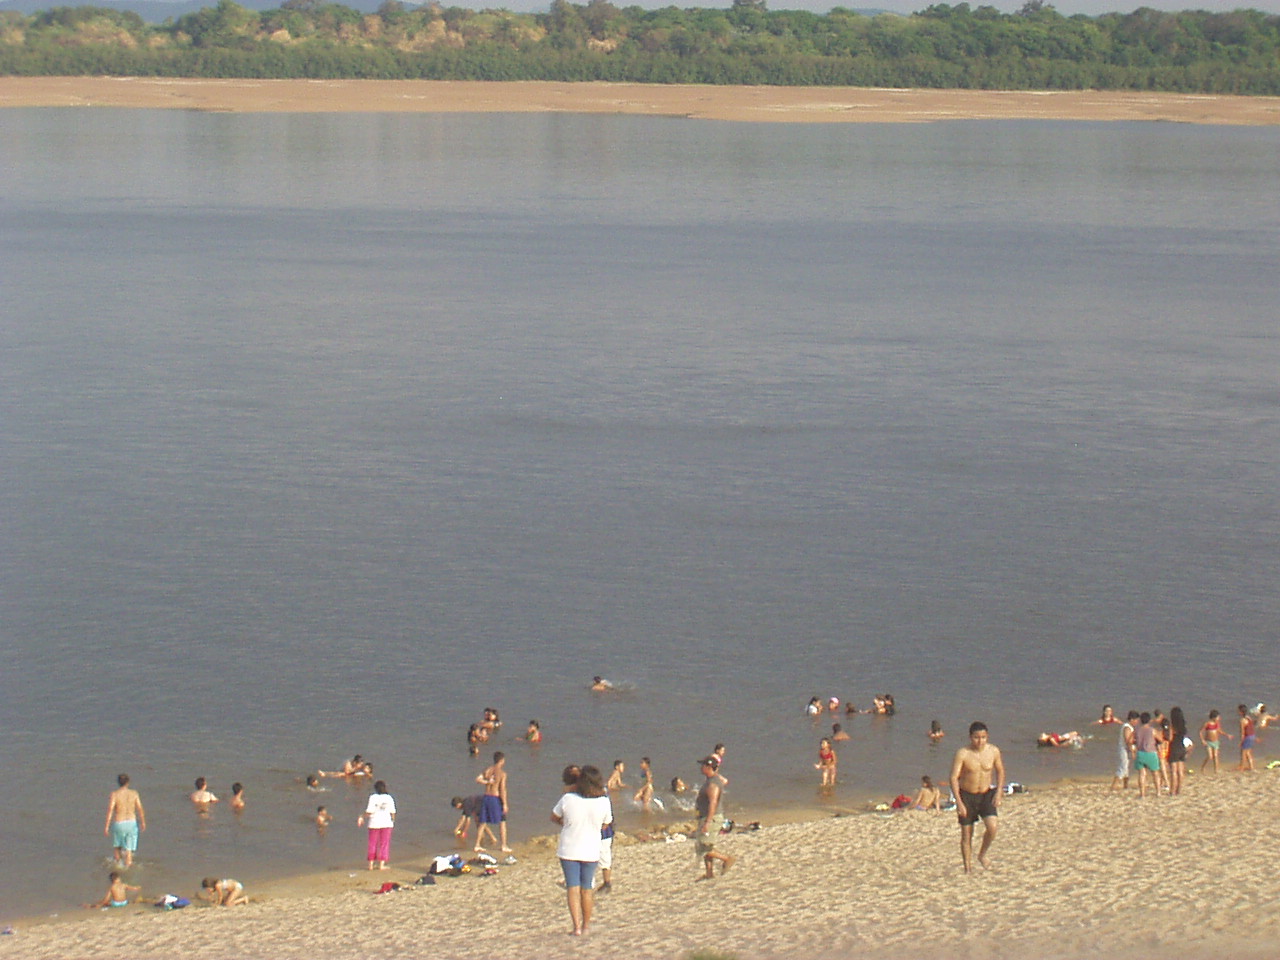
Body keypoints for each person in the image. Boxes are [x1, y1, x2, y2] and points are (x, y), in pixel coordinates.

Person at [551, 765, 612, 937]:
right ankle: (586, 925)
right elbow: (606, 824)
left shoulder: (568, 799)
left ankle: (576, 927)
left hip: (569, 848)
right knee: (587, 888)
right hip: (591, 848)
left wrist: (567, 824)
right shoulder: (603, 801)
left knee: (572, 888)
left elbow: (554, 817)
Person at [950, 721, 1005, 873]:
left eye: (983, 737)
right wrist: (959, 802)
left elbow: (1000, 771)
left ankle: (982, 855)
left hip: (986, 794)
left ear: (987, 737)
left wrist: (999, 791)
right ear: (970, 737)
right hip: (967, 795)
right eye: (976, 737)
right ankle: (968, 869)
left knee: (992, 827)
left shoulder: (993, 751)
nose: (980, 741)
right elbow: (954, 777)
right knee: (967, 835)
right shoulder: (963, 753)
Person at [694, 757, 735, 879]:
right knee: (707, 846)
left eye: (703, 766)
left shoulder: (713, 784)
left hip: (711, 817)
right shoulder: (712, 780)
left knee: (703, 847)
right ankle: (709, 873)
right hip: (706, 816)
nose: (701, 768)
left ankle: (727, 859)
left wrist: (707, 822)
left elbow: (713, 803)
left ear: (708, 768)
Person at [104, 774, 146, 869]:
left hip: (119, 822)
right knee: (129, 848)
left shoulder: (115, 794)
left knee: (117, 845)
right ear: (128, 782)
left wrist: (106, 826)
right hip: (131, 822)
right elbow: (140, 808)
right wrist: (143, 822)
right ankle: (128, 865)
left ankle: (118, 864)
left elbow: (110, 809)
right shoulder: (134, 793)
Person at [475, 751, 511, 853]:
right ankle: (503, 845)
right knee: (502, 822)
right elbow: (502, 789)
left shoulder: (488, 770)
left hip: (486, 796)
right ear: (502, 761)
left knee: (483, 822)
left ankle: (477, 845)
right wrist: (504, 804)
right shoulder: (502, 774)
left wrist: (487, 782)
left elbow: (477, 779)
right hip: (495, 798)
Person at [357, 780, 396, 870]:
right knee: (384, 843)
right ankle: (381, 864)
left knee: (372, 843)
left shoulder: (373, 797)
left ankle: (371, 864)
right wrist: (392, 821)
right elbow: (393, 812)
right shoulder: (389, 798)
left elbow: (369, 811)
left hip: (374, 823)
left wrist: (361, 816)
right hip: (386, 823)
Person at [1133, 712, 1162, 798]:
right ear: (1149, 720)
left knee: (1142, 774)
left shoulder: (1137, 730)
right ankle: (1158, 792)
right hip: (1151, 753)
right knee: (1155, 774)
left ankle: (1142, 794)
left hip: (1140, 753)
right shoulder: (1152, 730)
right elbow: (1160, 739)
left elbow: (1131, 740)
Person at [1111, 710, 1139, 791]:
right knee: (1123, 768)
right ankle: (1114, 786)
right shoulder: (1127, 727)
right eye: (1136, 720)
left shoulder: (1130, 727)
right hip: (1124, 749)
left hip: (1126, 749)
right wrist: (1133, 752)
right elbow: (1128, 741)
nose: (1137, 722)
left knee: (1126, 769)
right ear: (1131, 719)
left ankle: (1125, 786)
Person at [1200, 709, 1231, 774]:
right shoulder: (1207, 724)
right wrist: (1202, 740)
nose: (1219, 718)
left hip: (1216, 742)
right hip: (1208, 742)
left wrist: (1227, 735)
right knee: (1210, 756)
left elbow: (1219, 731)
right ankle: (1203, 767)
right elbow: (1201, 732)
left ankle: (1216, 770)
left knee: (1216, 756)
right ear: (1214, 717)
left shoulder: (1217, 724)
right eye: (1218, 717)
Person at [1167, 706, 1189, 795]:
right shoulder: (1183, 727)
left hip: (1174, 748)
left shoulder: (1172, 727)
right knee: (1180, 771)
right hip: (1182, 748)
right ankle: (1179, 790)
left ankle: (1172, 791)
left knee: (1174, 772)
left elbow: (1170, 738)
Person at [1238, 703, 1257, 772]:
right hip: (1252, 735)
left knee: (1243, 753)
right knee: (1248, 752)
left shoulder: (1242, 720)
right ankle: (1251, 767)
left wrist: (1241, 742)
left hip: (1248, 737)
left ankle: (1242, 768)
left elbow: (1242, 733)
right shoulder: (1249, 718)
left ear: (1240, 712)